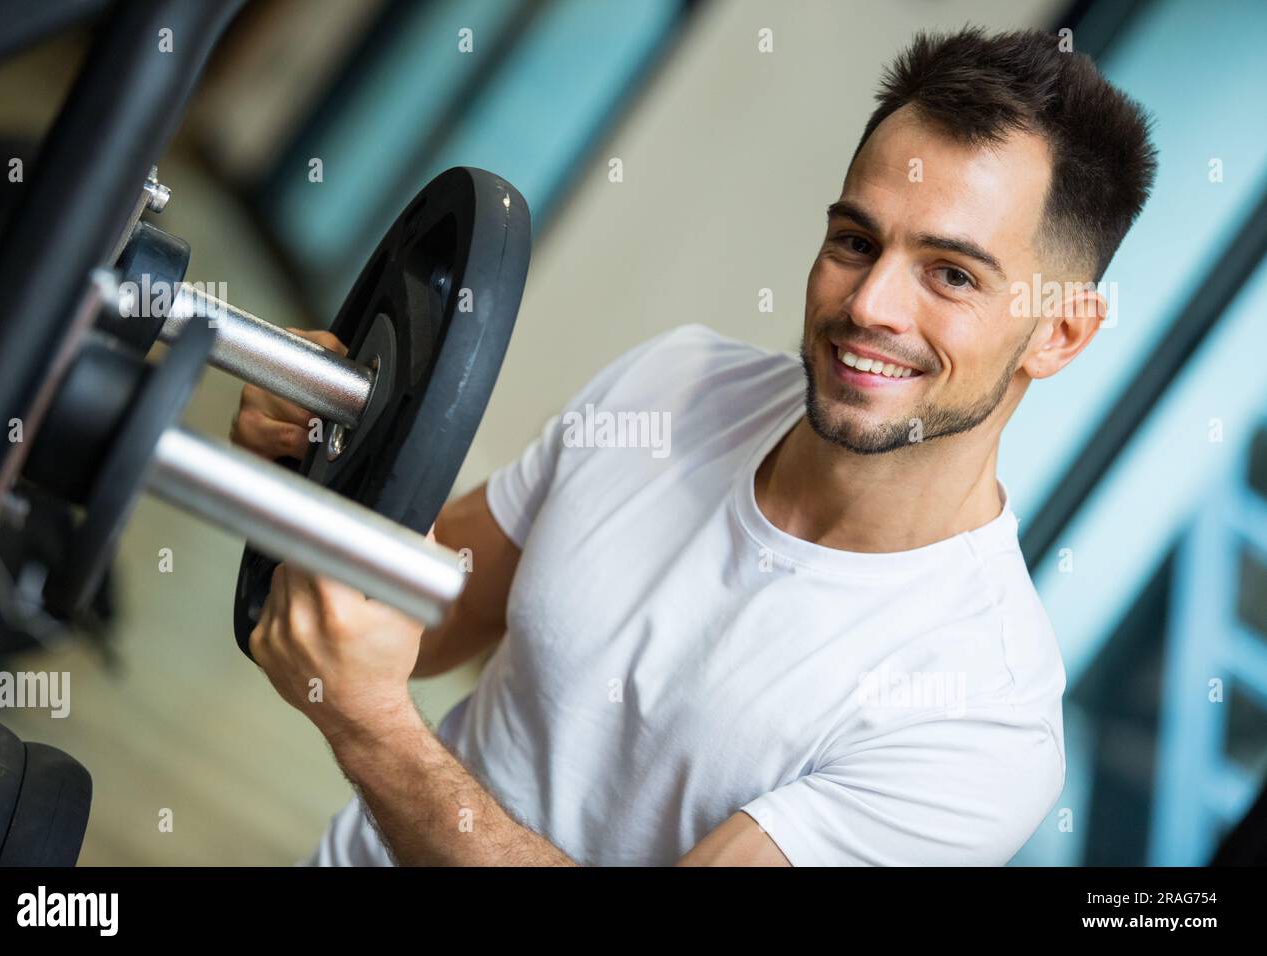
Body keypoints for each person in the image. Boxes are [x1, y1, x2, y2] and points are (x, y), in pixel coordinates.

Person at [231, 26, 1157, 866]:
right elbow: (425, 621)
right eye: (854, 241)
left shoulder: (981, 724)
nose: (870, 305)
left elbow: (370, 698)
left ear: (1059, 334)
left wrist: (376, 734)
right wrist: (326, 453)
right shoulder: (674, 386)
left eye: (951, 274)